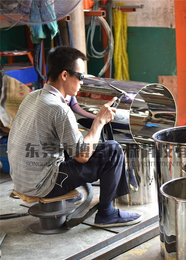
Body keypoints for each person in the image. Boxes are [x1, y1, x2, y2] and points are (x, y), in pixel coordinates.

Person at [7, 46, 142, 227]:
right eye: (80, 77)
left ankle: (87, 201)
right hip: (43, 184)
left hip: (22, 178)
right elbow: (83, 156)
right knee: (113, 150)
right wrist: (99, 122)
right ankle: (106, 213)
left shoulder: (34, 96)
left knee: (74, 144)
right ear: (64, 75)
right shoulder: (58, 109)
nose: (82, 82)